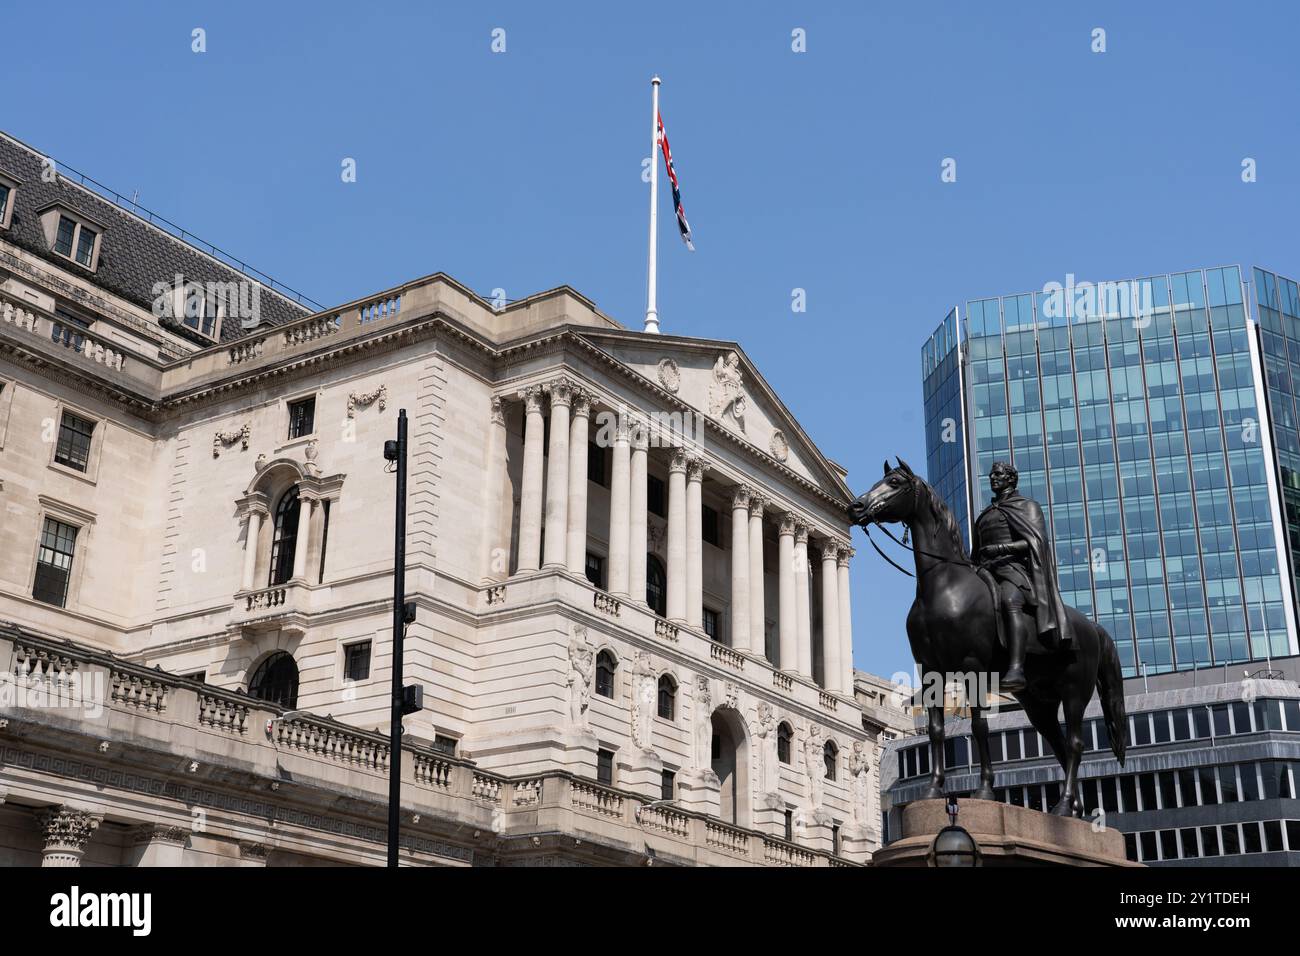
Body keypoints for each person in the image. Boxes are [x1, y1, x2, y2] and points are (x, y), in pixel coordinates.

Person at [970, 461, 1073, 692]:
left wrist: (1000, 549)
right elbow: (975, 553)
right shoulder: (985, 515)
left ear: (1010, 479)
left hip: (1014, 570)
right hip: (985, 570)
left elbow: (1036, 542)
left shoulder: (1026, 506)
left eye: (997, 474)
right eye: (990, 474)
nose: (992, 477)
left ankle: (1016, 668)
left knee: (1009, 601)